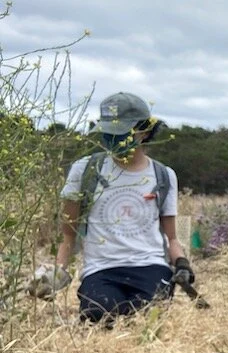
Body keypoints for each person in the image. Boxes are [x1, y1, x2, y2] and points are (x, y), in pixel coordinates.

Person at [29, 91, 194, 324]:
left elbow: (172, 238)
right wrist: (55, 274)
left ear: (144, 131)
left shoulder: (164, 175)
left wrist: (182, 264)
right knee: (100, 314)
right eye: (108, 132)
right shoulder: (84, 171)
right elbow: (69, 233)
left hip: (150, 265)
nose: (112, 139)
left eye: (120, 133)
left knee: (147, 316)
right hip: (101, 269)